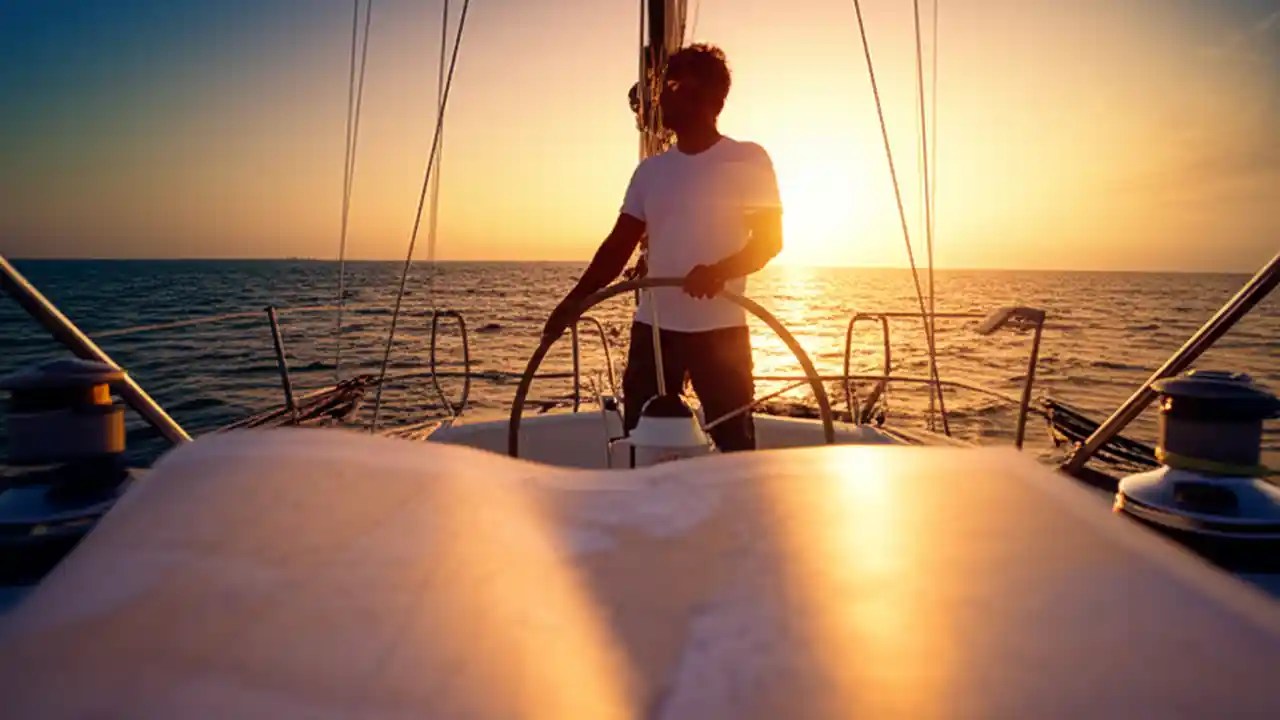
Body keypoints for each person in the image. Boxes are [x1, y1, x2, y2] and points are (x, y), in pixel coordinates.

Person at [543, 44, 782, 451]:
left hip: (721, 334)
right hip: (653, 332)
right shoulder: (650, 172)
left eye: (670, 86)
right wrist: (574, 301)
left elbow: (769, 241)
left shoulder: (748, 159)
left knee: (735, 448)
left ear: (708, 95)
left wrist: (718, 272)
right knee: (639, 443)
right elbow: (618, 247)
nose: (659, 98)